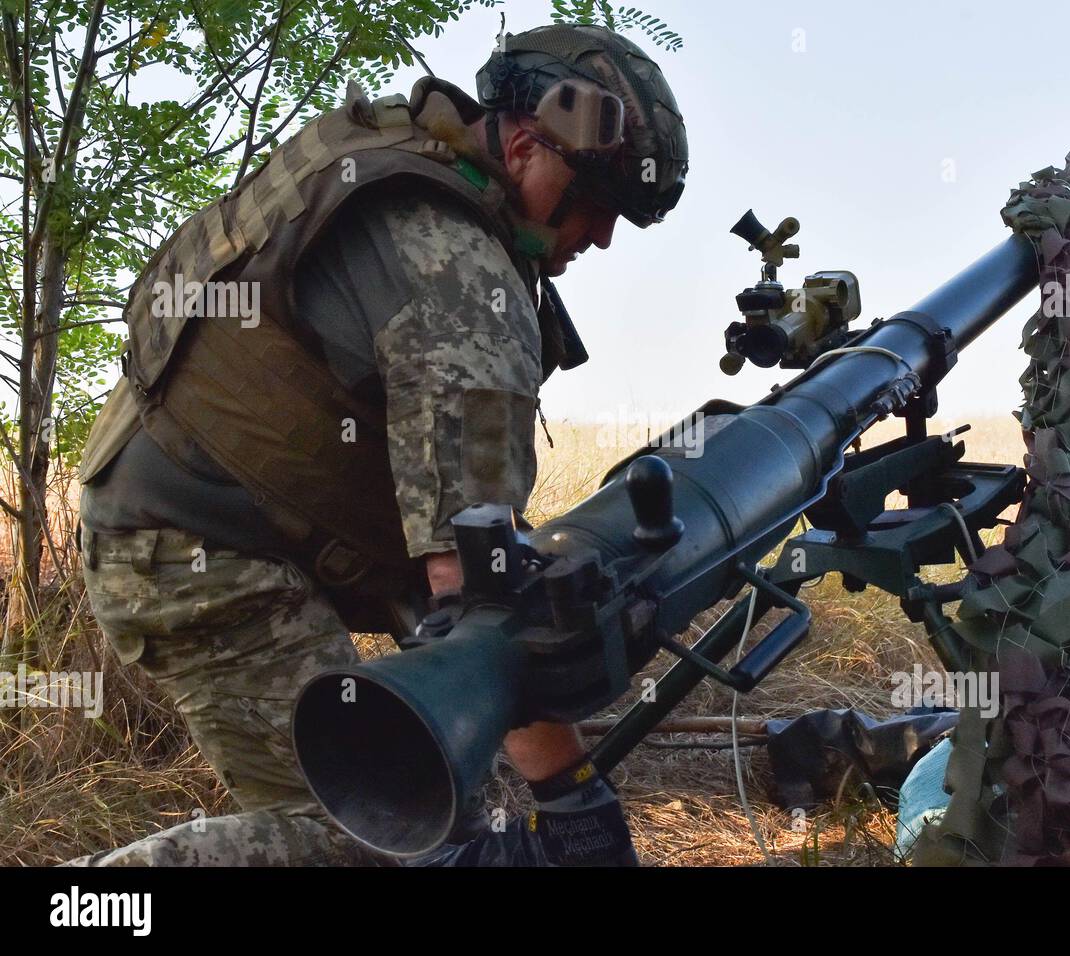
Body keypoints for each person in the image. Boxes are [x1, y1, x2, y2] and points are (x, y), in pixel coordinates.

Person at [66, 22, 687, 866]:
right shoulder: (465, 286)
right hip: (198, 552)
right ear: (531, 145)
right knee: (377, 829)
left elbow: (456, 595)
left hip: (188, 514)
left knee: (448, 811)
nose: (603, 235)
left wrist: (550, 785)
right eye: (597, 203)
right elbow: (477, 599)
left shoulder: (393, 156)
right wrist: (572, 793)